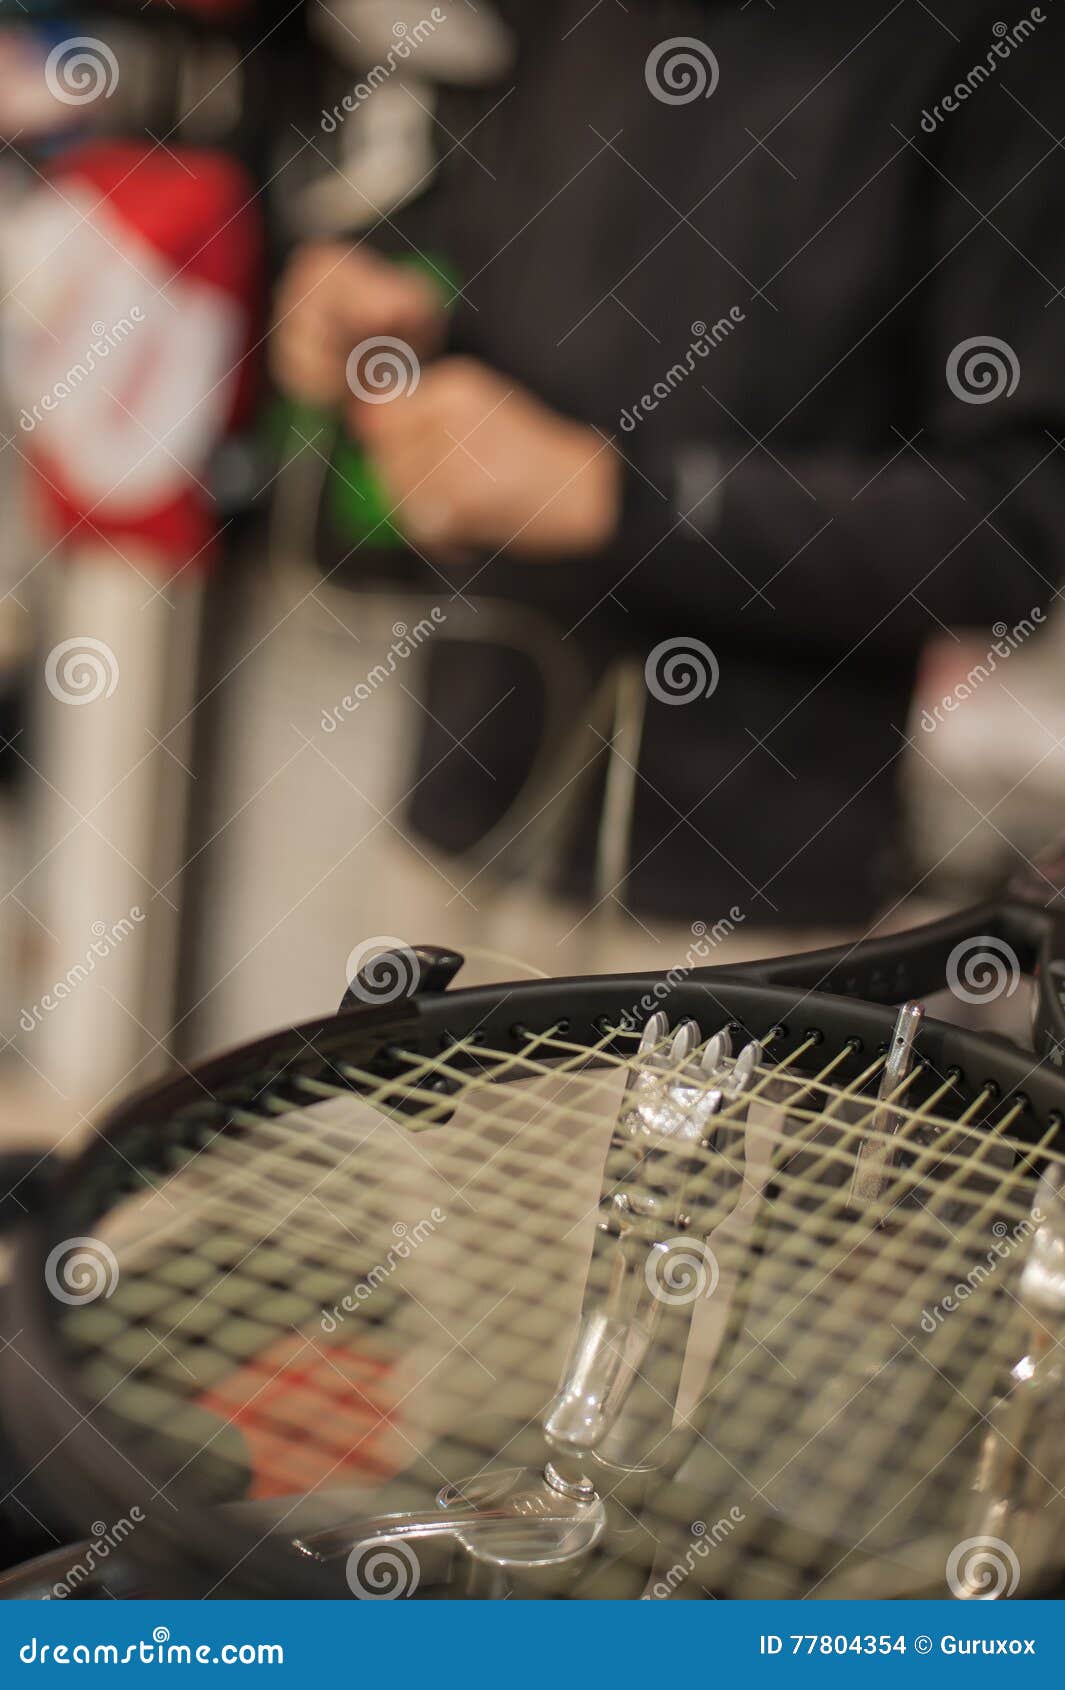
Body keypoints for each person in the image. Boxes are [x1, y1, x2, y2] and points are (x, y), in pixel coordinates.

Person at [272, 0, 1065, 963]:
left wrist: (625, 502)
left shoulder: (996, 39)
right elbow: (500, 287)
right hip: (456, 839)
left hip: (737, 924)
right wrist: (387, 313)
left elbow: (1012, 528)